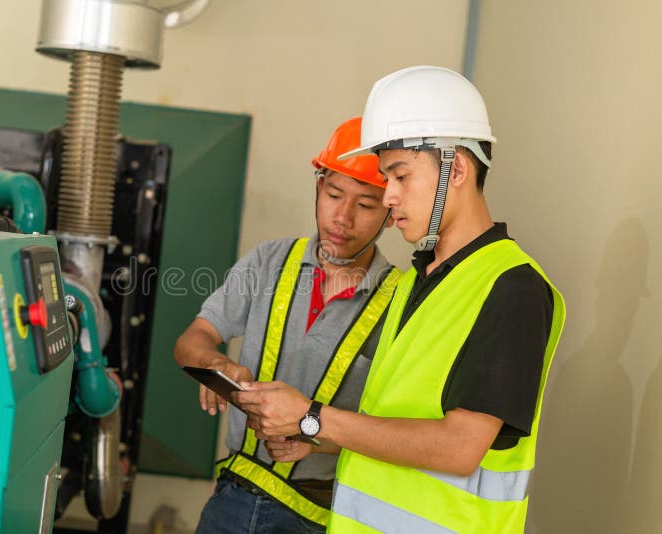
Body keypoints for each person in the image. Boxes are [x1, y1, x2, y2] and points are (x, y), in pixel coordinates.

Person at [235, 66, 566, 533]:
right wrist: (321, 439)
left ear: (457, 169)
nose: (388, 196)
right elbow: (399, 424)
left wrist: (313, 419)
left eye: (400, 175)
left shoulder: (513, 289)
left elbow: (459, 448)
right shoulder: (418, 279)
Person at [173, 117, 401, 533]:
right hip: (231, 496)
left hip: (318, 516)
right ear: (318, 186)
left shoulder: (401, 301)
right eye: (334, 194)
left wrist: (318, 438)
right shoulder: (269, 260)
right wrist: (214, 364)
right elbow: (193, 340)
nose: (343, 218)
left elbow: (399, 434)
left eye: (366, 205)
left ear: (391, 213)